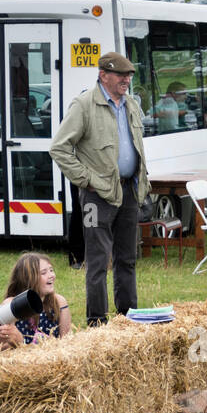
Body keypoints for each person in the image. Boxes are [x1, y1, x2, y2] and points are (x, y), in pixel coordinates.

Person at [49, 52, 149, 326]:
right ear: (103, 75)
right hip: (97, 196)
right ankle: (97, 323)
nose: (126, 80)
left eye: (129, 75)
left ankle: (128, 320)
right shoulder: (83, 105)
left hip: (128, 191)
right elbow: (59, 148)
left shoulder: (130, 103)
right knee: (97, 262)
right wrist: (86, 180)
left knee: (127, 259)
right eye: (120, 75)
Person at [0, 252, 72, 346]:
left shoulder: (59, 302)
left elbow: (68, 343)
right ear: (28, 279)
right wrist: (19, 342)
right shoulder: (11, 305)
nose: (52, 275)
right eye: (44, 272)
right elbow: (5, 348)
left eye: (51, 270)